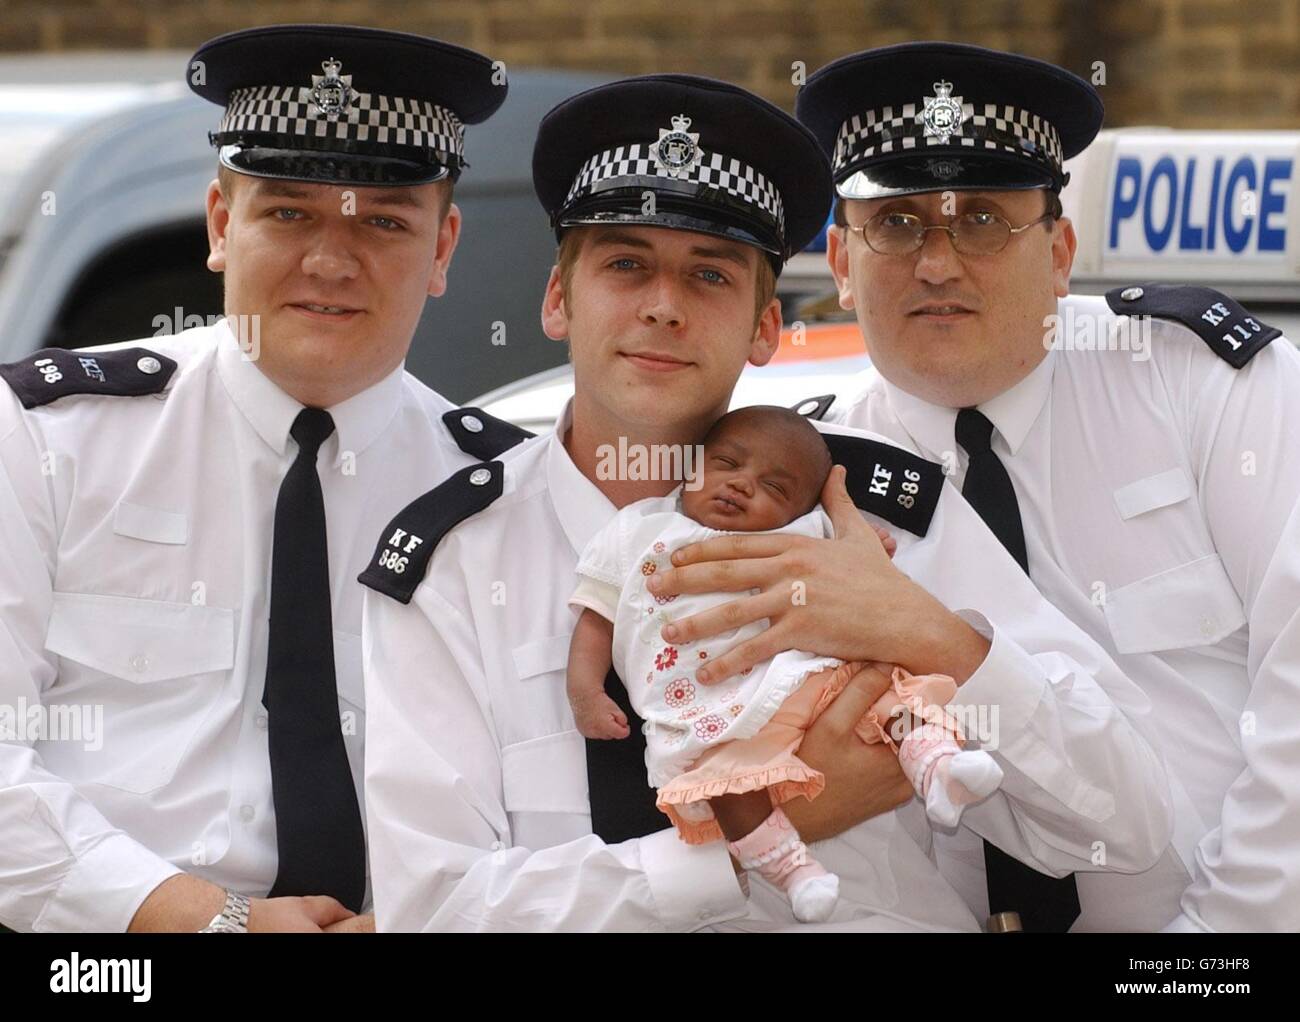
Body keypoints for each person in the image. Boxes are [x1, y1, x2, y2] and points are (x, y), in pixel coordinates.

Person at [359, 73, 1172, 933]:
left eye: (710, 275)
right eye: (627, 264)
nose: (665, 308)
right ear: (560, 299)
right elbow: (434, 910)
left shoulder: (874, 518)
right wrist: (756, 838)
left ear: (764, 328)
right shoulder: (451, 566)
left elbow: (1126, 824)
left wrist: (926, 632)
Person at [0, 23, 519, 933]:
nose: (330, 260)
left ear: (443, 250)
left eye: (386, 221)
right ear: (219, 223)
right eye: (289, 212)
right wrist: (206, 919)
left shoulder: (506, 495)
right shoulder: (46, 440)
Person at [795, 40, 1300, 932]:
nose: (938, 263)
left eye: (983, 219)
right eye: (898, 223)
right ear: (841, 261)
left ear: (1060, 252)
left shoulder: (1204, 385)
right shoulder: (796, 480)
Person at [565, 404, 1003, 923]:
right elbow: (597, 616)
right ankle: (794, 871)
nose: (742, 485)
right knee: (730, 789)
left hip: (809, 684)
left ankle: (938, 765)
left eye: (775, 488)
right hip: (714, 719)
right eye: (726, 463)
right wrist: (585, 690)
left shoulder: (803, 534)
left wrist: (870, 544)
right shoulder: (636, 532)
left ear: (800, 509)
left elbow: (863, 559)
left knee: (889, 699)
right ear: (692, 465)